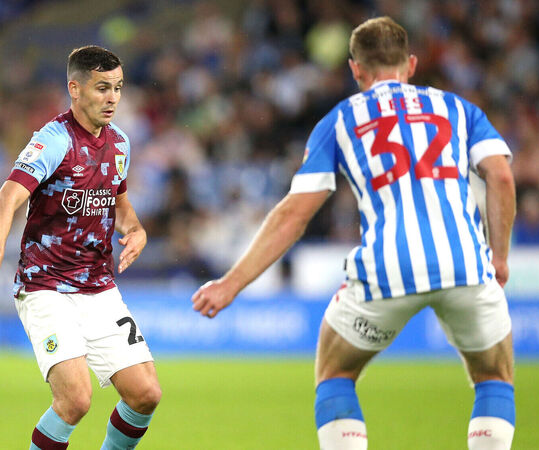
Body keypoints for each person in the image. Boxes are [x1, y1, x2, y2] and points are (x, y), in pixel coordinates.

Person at [192, 17, 516, 450]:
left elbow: (293, 215)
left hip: (387, 269)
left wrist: (230, 284)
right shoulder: (458, 109)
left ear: (355, 69)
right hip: (466, 263)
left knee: (336, 372)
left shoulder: (340, 119)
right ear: (411, 64)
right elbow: (501, 176)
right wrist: (499, 256)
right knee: (494, 375)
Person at [0, 45, 161, 450]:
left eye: (118, 88)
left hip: (98, 287)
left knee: (145, 394)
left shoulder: (120, 143)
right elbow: (6, 199)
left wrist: (136, 229)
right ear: (75, 88)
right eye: (102, 88)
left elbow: (118, 202)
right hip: (46, 287)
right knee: (75, 400)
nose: (112, 98)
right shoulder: (53, 140)